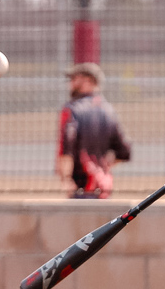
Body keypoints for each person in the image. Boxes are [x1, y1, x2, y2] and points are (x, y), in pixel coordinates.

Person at [55, 63, 131, 198]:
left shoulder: (72, 109)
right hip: (103, 188)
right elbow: (124, 152)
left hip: (80, 187)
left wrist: (66, 180)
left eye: (74, 79)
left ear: (87, 80)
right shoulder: (108, 110)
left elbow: (66, 147)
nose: (70, 84)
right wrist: (102, 166)